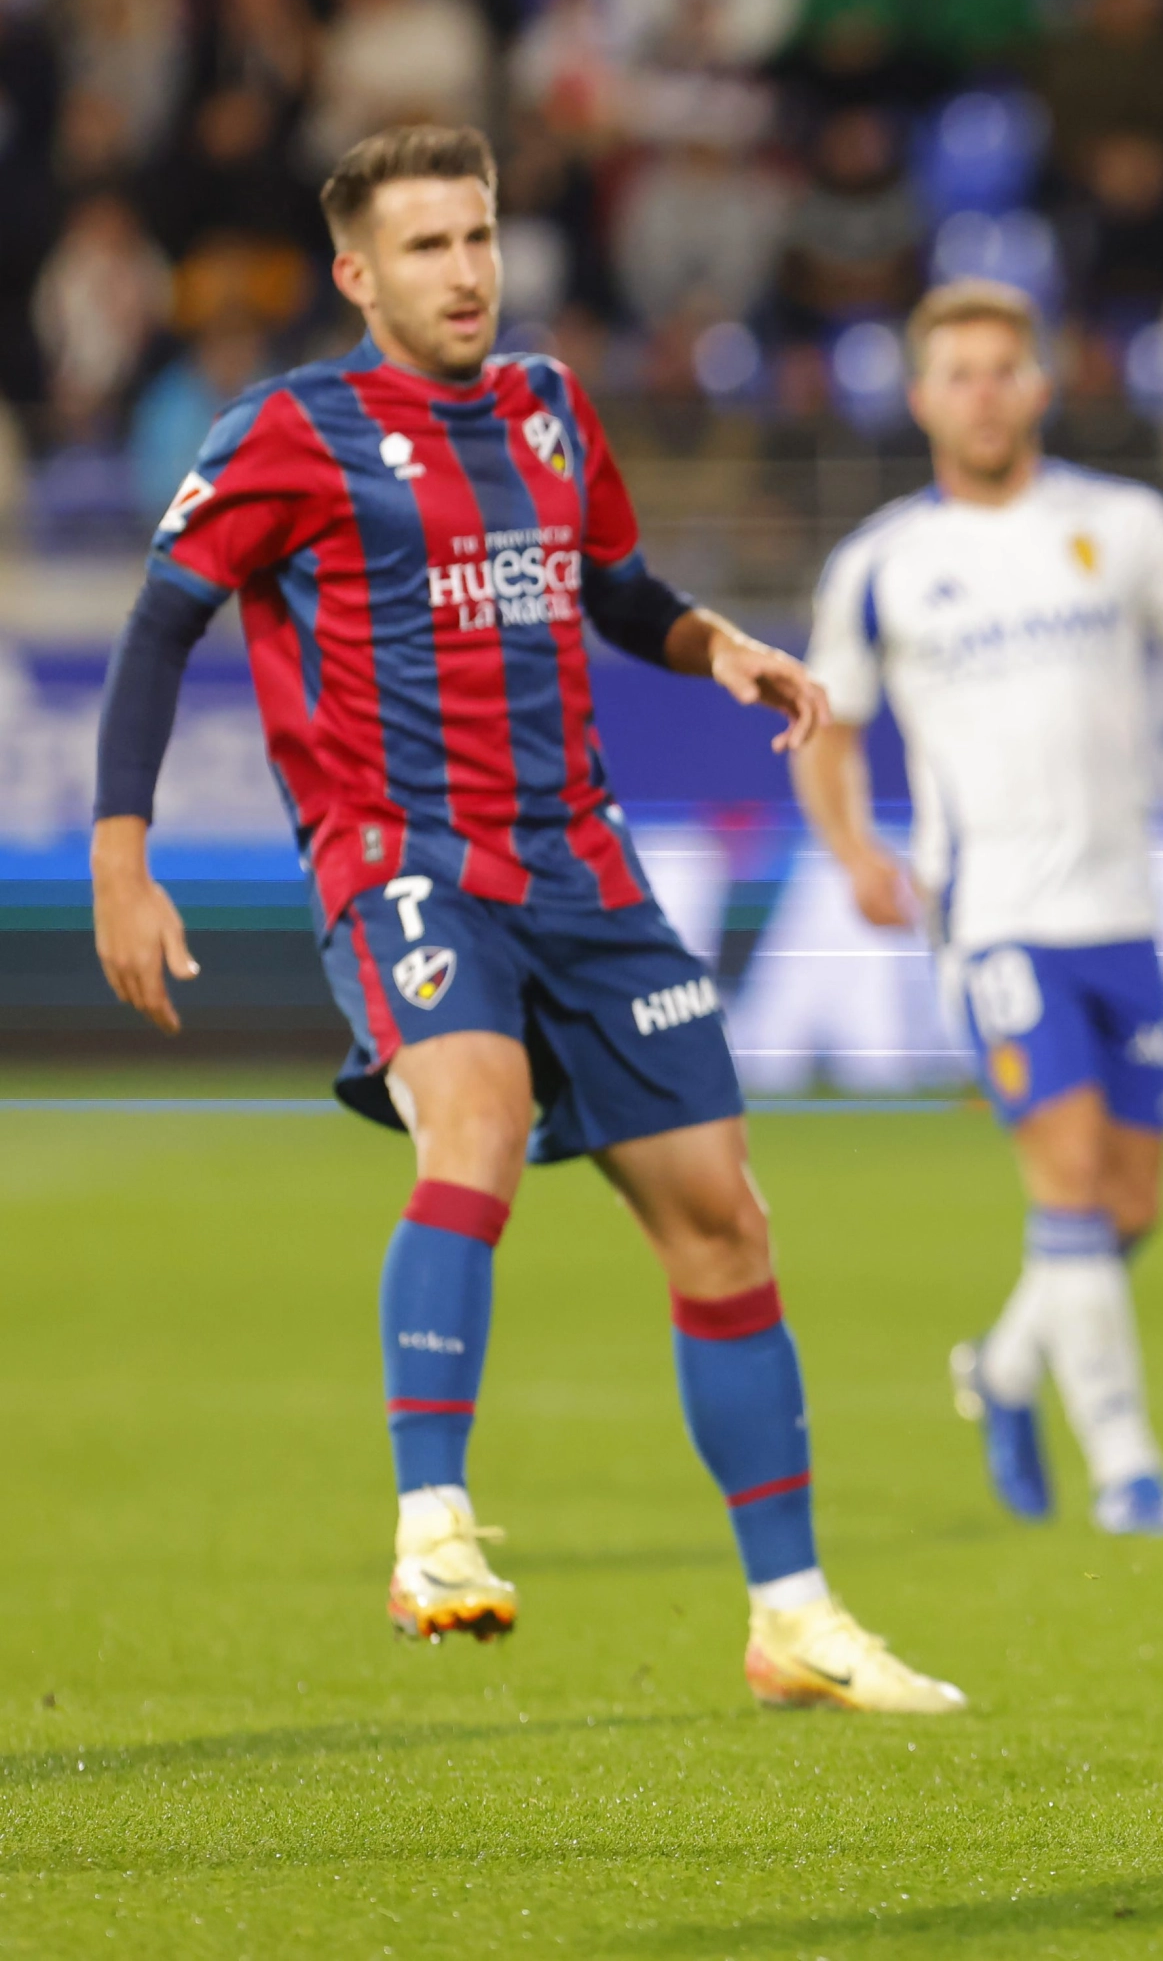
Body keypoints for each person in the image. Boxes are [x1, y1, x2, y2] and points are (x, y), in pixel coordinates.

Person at [87, 125, 961, 1715]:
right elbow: (160, 626)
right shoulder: (293, 429)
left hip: (586, 865)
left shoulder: (550, 407)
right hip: (402, 856)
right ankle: (431, 1526)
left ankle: (793, 1618)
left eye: (479, 235)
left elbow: (609, 586)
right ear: (357, 274)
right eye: (426, 247)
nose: (467, 270)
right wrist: (118, 856)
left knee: (725, 1222)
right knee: (473, 1122)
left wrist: (723, 651)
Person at [789, 279, 1163, 1539]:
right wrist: (850, 847)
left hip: (1123, 906)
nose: (984, 391)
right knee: (1064, 1180)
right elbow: (822, 729)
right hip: (993, 913)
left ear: (1041, 384)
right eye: (958, 372)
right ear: (920, 397)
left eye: (1005, 367)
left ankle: (1004, 1368)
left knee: (1128, 1206)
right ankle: (1129, 1468)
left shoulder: (1121, 526)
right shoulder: (886, 564)